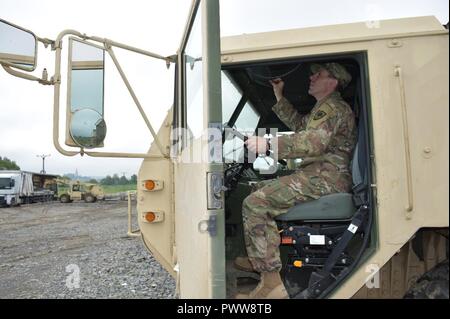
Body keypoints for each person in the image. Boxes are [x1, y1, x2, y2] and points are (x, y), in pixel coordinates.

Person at [234, 63, 356, 299]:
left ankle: (271, 283)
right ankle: (259, 256)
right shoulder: (324, 107)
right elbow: (301, 127)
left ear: (333, 81)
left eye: (318, 74)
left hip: (327, 177)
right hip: (319, 174)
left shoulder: (334, 107)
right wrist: (279, 95)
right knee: (258, 187)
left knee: (256, 203)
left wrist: (267, 144)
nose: (312, 77)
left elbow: (312, 143)